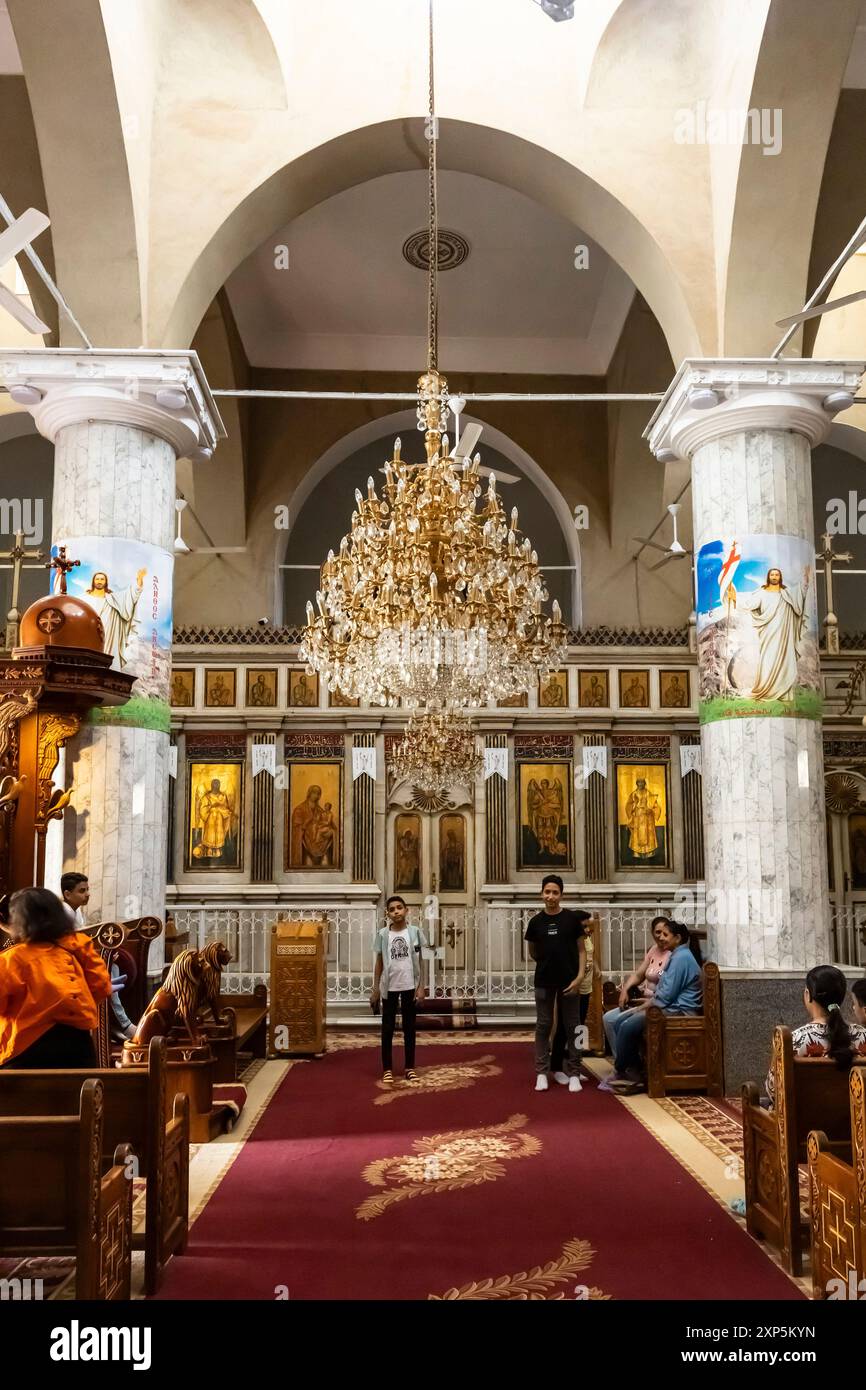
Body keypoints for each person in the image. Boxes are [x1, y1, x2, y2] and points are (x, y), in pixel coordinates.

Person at [0, 887, 125, 1068]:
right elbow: (102, 987)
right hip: (79, 1047)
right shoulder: (78, 946)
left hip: (25, 1050)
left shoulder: (13, 959)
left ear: (20, 920)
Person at [608, 919, 702, 1094]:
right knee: (622, 1022)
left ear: (678, 938)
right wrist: (646, 1004)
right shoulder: (677, 954)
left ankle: (622, 1070)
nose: (662, 938)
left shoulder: (682, 958)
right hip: (668, 1007)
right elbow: (664, 991)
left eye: (666, 935)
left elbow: (666, 995)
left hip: (680, 1011)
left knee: (627, 1025)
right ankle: (633, 1070)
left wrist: (646, 1007)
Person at [765, 965, 866, 1106]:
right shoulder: (863, 1035)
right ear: (841, 997)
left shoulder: (796, 1040)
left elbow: (774, 1091)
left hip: (805, 1124)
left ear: (808, 995)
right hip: (856, 1123)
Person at [524, 874, 589, 1093]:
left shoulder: (571, 920)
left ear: (561, 895)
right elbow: (533, 951)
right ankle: (542, 1072)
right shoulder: (535, 922)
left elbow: (582, 950)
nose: (550, 896)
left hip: (570, 981)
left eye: (555, 892)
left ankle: (575, 1071)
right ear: (541, 894)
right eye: (547, 892)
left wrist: (579, 976)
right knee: (543, 1025)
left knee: (575, 1026)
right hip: (544, 980)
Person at [61, 872, 136, 1042]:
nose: (87, 894)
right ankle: (122, 1024)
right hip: (68, 966)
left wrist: (105, 951)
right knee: (110, 969)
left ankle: (114, 1025)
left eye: (88, 890)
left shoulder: (76, 912)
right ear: (67, 894)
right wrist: (103, 953)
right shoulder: (63, 914)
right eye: (82, 891)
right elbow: (71, 946)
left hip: (78, 962)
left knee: (113, 966)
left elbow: (84, 941)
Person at [599, 917, 672, 1088]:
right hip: (641, 999)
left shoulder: (673, 955)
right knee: (608, 1018)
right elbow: (639, 974)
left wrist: (646, 1001)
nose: (660, 936)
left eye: (664, 933)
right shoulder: (653, 950)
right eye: (657, 932)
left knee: (621, 1021)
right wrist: (625, 990)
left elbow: (666, 991)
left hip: (655, 1004)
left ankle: (626, 1066)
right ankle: (626, 1065)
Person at [370, 896, 426, 1085]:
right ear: (387, 914)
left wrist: (421, 987)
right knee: (387, 1028)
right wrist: (376, 988)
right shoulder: (383, 934)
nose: (396, 911)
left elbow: (419, 960)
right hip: (390, 986)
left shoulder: (415, 932)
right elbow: (379, 963)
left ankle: (409, 1067)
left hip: (410, 984)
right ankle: (387, 1068)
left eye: (399, 908)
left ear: (406, 910)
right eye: (392, 909)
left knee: (410, 1028)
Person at [550, 912, 601, 1084]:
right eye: (584, 926)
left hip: (585, 990)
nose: (588, 930)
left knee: (580, 1030)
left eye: (589, 926)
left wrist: (595, 966)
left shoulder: (586, 939)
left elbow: (589, 955)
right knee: (564, 1030)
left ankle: (575, 1068)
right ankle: (556, 1067)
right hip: (571, 991)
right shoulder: (570, 942)